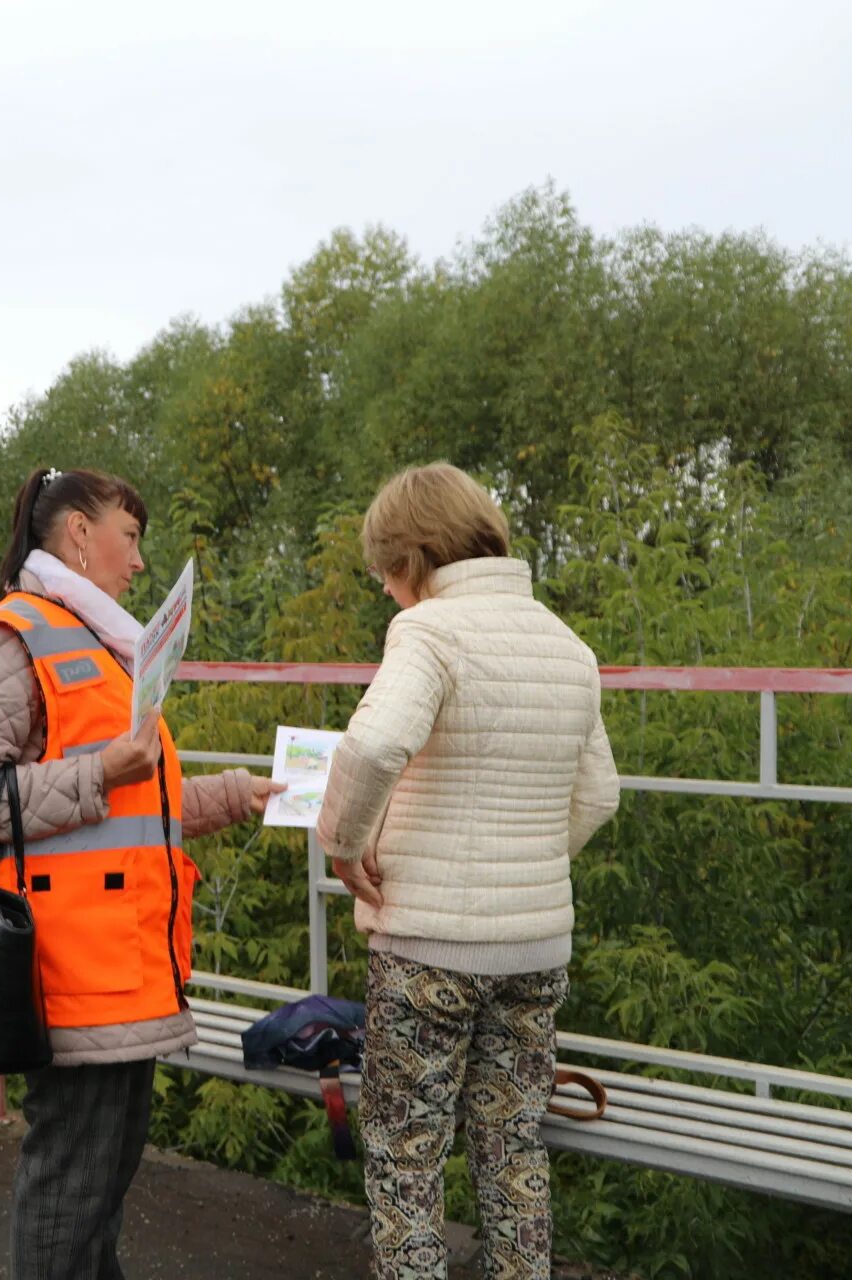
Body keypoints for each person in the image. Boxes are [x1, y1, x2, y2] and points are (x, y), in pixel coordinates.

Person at [0, 466, 281, 1280]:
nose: (140, 561)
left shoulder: (100, 644)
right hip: (69, 968)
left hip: (122, 967)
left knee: (102, 1183)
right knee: (72, 1185)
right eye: (131, 537)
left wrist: (236, 794)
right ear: (80, 534)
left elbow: (130, 805)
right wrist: (99, 772)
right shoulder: (11, 639)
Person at [313, 463, 620, 1280]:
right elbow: (600, 796)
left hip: (428, 950)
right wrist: (528, 866)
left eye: (383, 572)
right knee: (512, 1149)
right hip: (535, 952)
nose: (386, 590)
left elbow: (376, 746)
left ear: (412, 559)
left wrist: (345, 845)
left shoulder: (429, 632)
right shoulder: (567, 644)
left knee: (407, 1154)